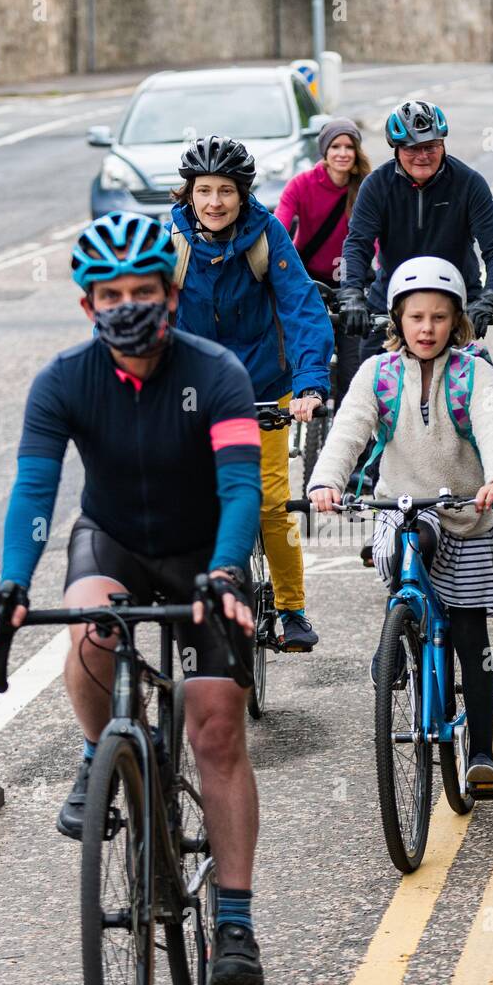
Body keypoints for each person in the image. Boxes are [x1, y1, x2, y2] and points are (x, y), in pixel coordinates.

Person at [0, 212, 266, 985]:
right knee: (89, 632)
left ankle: (234, 920)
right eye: (113, 294)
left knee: (214, 730)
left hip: (205, 554)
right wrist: (10, 583)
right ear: (87, 305)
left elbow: (241, 487)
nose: (129, 305)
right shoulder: (63, 382)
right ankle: (98, 752)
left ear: (173, 298)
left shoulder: (218, 374)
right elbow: (36, 491)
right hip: (115, 542)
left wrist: (229, 574)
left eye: (145, 290)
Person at [308, 257, 493, 797]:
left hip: (466, 515)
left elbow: (492, 426)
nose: (427, 329)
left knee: (472, 641)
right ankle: (398, 631)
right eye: (416, 317)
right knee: (409, 541)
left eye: (440, 318)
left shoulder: (473, 373)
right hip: (401, 509)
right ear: (397, 320)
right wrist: (324, 482)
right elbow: (349, 431)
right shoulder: (376, 374)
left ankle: (481, 756)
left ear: (457, 323)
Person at [168, 136, 334, 652]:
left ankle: (290, 608)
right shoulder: (168, 242)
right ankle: (183, 592)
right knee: (183, 498)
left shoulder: (267, 236)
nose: (214, 202)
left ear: (243, 194)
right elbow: (143, 311)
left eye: (225, 191)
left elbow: (301, 307)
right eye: (204, 191)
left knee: (268, 501)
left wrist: (309, 383)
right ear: (189, 195)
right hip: (193, 391)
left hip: (262, 389)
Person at [336, 100, 493, 362]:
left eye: (431, 146)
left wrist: (490, 297)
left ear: (443, 144)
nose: (423, 155)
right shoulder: (376, 185)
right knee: (367, 389)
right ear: (396, 148)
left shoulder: (469, 183)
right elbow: (357, 244)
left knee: (478, 387)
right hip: (391, 303)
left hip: (455, 302)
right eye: (413, 148)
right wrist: (351, 293)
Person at [276, 117, 373, 409]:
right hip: (309, 278)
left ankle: (347, 425)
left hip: (353, 282)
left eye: (349, 146)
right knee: (303, 344)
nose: (342, 153)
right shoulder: (302, 184)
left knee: (352, 362)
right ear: (324, 152)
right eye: (335, 146)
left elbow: (378, 238)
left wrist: (382, 270)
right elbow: (279, 227)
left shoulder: (366, 187)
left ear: (357, 152)